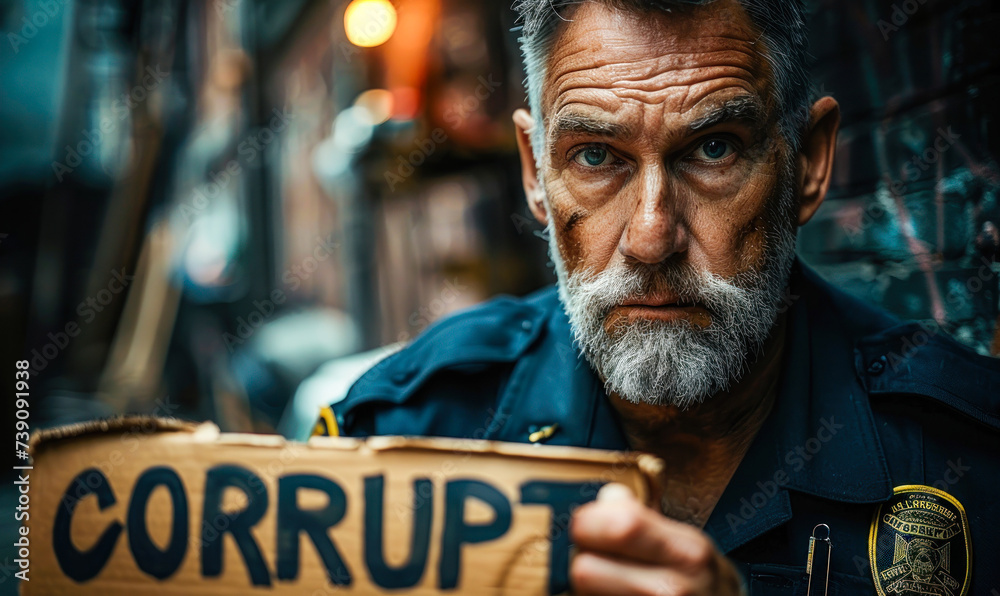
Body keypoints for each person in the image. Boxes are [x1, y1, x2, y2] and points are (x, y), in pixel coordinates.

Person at [317, 0, 1000, 592]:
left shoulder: (965, 458)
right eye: (594, 155)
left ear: (809, 164)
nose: (651, 237)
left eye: (712, 150)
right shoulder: (403, 440)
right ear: (534, 171)